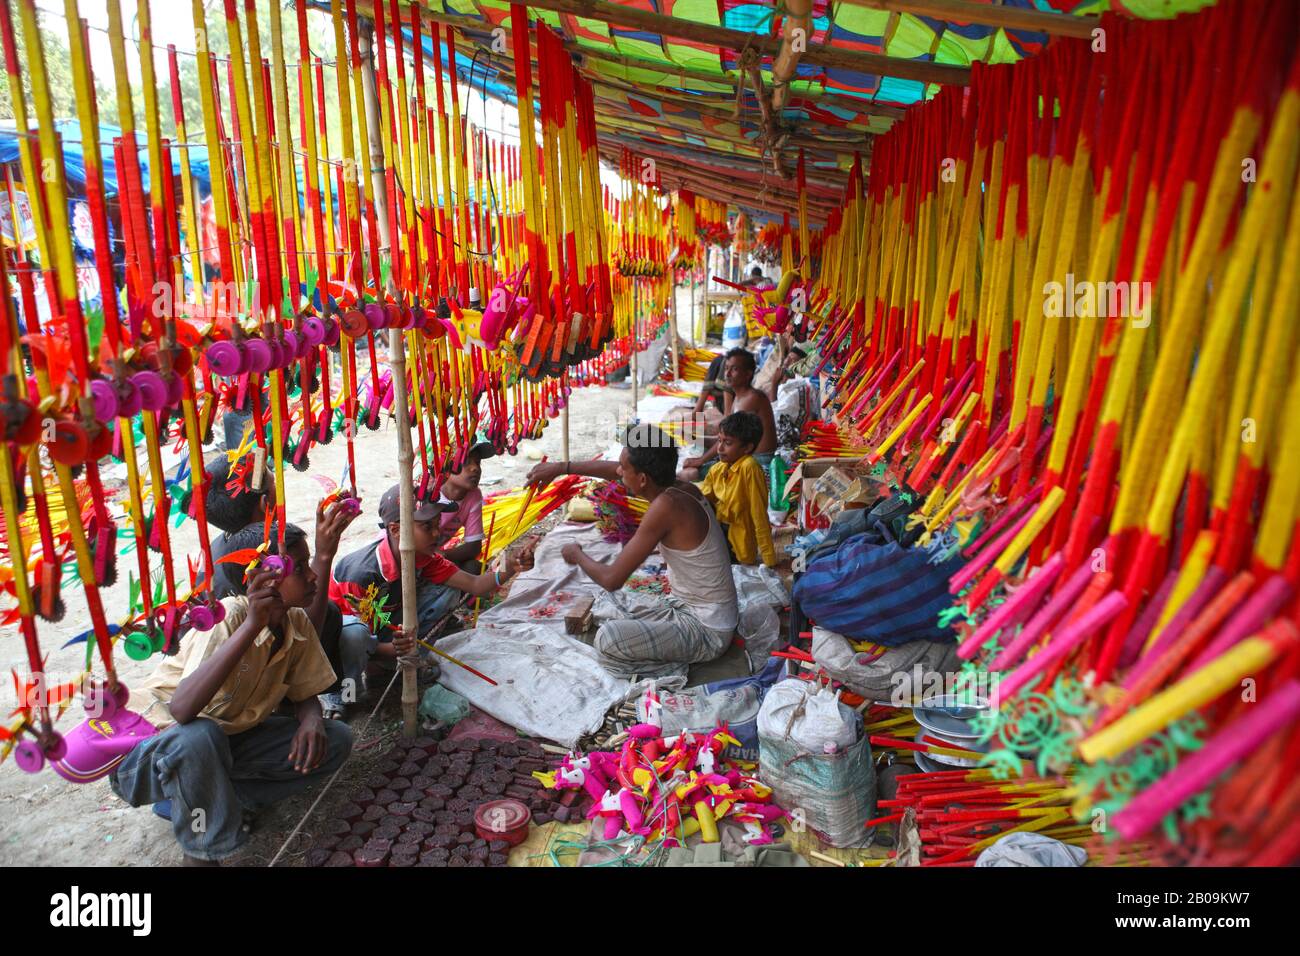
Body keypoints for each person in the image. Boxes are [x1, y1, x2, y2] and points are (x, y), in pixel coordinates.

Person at [111, 523, 352, 866]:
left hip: (223, 748)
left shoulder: (295, 621)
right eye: (300, 567)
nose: (313, 576)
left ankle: (227, 801)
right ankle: (201, 852)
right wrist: (253, 625)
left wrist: (312, 717)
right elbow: (181, 710)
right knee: (199, 735)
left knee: (336, 739)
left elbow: (305, 690)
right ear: (263, 582)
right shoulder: (230, 618)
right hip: (152, 756)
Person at [526, 425, 738, 682]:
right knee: (608, 604)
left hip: (708, 632)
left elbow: (612, 579)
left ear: (643, 479)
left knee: (608, 639)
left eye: (624, 469)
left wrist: (577, 554)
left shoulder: (666, 507)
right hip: (689, 609)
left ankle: (671, 671)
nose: (617, 472)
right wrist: (562, 468)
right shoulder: (680, 488)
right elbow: (616, 469)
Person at [203, 452, 361, 721]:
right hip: (239, 687)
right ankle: (305, 701)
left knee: (336, 615)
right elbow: (302, 630)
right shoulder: (250, 564)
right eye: (276, 485)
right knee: (333, 616)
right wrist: (323, 556)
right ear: (266, 503)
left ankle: (314, 696)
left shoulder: (225, 547)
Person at [329, 484, 534, 689]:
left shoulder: (424, 559)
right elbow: (354, 636)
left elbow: (476, 585)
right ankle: (343, 694)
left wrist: (511, 564)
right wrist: (389, 649)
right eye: (427, 526)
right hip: (343, 641)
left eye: (437, 524)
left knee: (448, 591)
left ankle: (394, 666)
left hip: (386, 630)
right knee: (355, 637)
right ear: (396, 530)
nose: (437, 534)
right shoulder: (360, 574)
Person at [679, 348, 777, 482]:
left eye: (734, 369)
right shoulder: (738, 398)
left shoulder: (751, 399)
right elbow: (725, 439)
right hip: (744, 456)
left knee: (689, 474)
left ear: (748, 374)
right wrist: (697, 439)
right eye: (726, 368)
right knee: (697, 451)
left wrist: (700, 461)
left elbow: (729, 441)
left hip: (758, 463)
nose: (728, 374)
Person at [698, 412, 777, 568]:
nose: (719, 448)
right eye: (719, 441)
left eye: (727, 443)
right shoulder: (717, 469)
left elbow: (759, 514)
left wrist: (769, 559)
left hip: (741, 542)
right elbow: (704, 497)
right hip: (721, 536)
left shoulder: (750, 468)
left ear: (747, 447)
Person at [438, 439, 493, 571]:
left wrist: (443, 556)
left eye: (478, 462)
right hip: (404, 556)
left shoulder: (473, 495)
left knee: (474, 568)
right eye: (465, 462)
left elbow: (474, 547)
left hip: (434, 556)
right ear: (446, 467)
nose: (475, 468)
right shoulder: (427, 492)